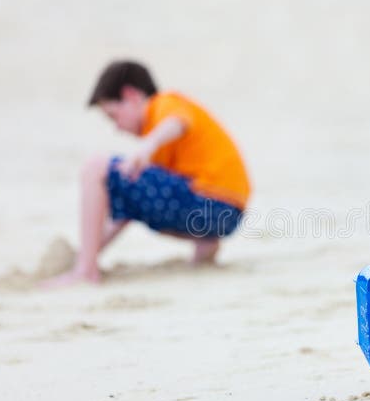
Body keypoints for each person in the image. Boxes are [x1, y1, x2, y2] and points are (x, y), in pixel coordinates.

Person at [44, 60, 251, 286]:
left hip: (211, 202)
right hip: (226, 218)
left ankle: (85, 272)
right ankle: (204, 253)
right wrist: (88, 253)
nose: (117, 127)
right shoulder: (163, 146)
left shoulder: (163, 104)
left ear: (131, 95)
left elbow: (177, 122)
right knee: (128, 194)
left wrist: (149, 144)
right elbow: (123, 214)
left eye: (113, 116)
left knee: (96, 167)